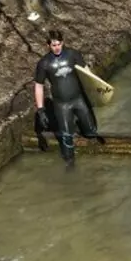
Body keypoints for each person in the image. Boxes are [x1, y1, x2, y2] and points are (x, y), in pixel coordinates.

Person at [33, 29, 103, 169]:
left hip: (78, 98)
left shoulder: (73, 54)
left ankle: (85, 133)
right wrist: (40, 109)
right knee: (66, 135)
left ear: (63, 42)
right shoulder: (44, 63)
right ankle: (69, 162)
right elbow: (39, 86)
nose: (57, 48)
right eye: (53, 45)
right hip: (61, 103)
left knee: (90, 130)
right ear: (48, 45)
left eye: (59, 44)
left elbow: (86, 73)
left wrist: (96, 91)